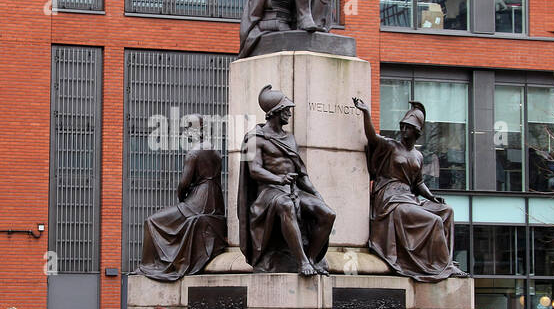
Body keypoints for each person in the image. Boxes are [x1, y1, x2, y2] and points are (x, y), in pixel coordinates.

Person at [353, 97, 467, 281]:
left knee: (446, 211)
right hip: (390, 198)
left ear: (417, 131)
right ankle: (442, 266)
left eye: (408, 127)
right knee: (434, 221)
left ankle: (445, 261)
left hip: (408, 197)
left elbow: (419, 183)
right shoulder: (390, 146)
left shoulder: (418, 155)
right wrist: (366, 113)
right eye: (403, 126)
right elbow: (372, 137)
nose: (404, 130)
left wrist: (432, 198)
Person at [238, 84, 336, 275]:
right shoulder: (254, 138)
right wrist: (279, 179)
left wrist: (316, 195)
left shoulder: (290, 138)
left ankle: (312, 258)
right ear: (275, 111)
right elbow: (255, 170)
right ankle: (302, 263)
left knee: (327, 213)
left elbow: (302, 175)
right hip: (268, 193)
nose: (289, 114)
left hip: (292, 189)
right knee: (286, 205)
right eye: (286, 110)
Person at [138, 113, 227, 281]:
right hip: (215, 200)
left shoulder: (194, 153)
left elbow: (183, 184)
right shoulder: (214, 151)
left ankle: (149, 266)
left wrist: (182, 198)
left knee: (152, 221)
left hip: (196, 203)